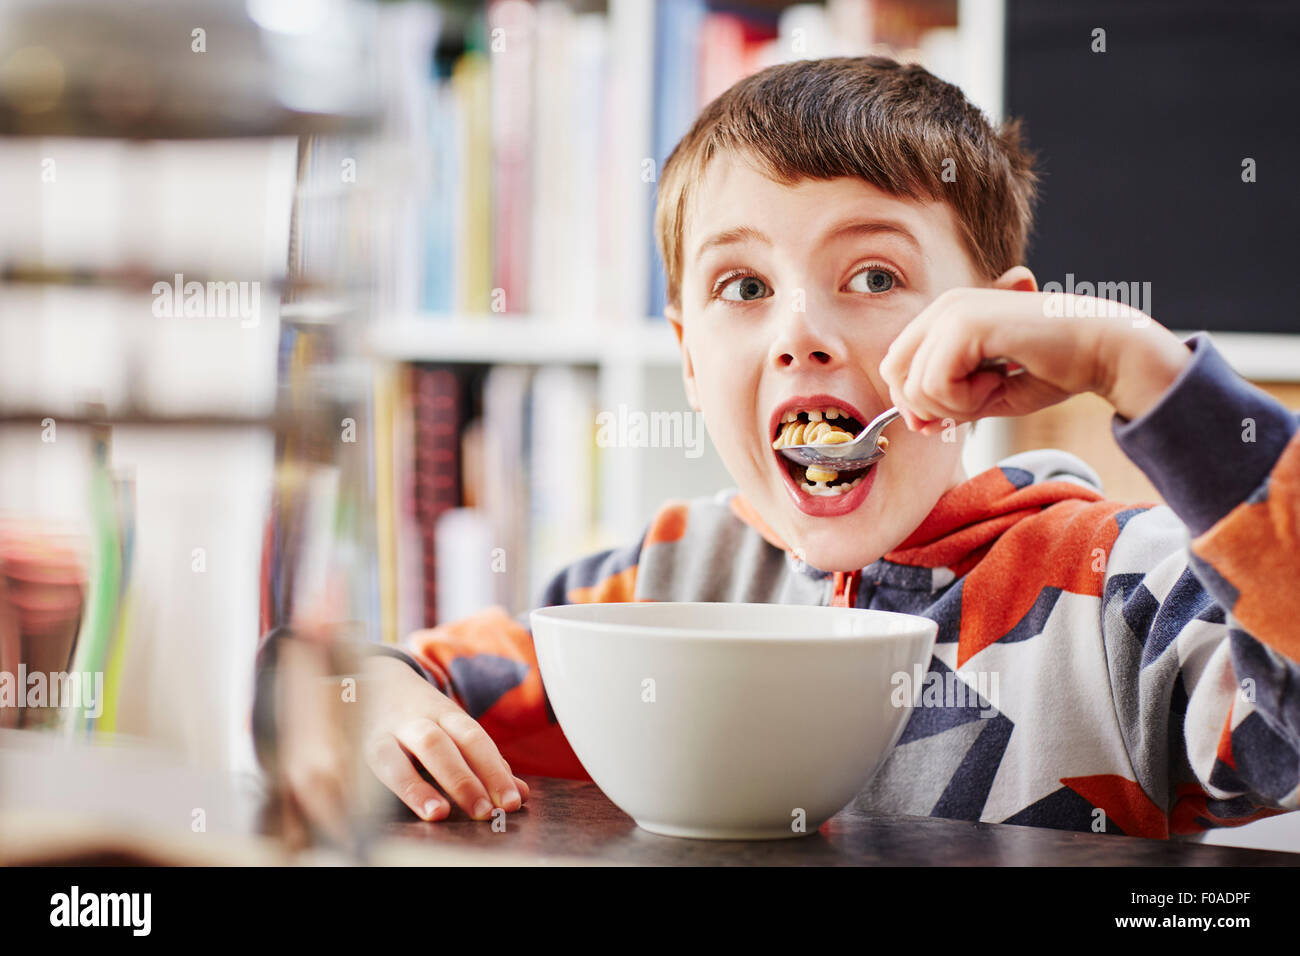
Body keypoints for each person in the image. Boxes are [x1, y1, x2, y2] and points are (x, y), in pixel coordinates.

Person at [260, 56, 1299, 841]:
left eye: (874, 277)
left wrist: (1138, 367)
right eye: (744, 288)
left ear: (999, 329)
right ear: (688, 360)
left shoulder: (1123, 592)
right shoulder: (651, 586)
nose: (800, 329)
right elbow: (348, 682)